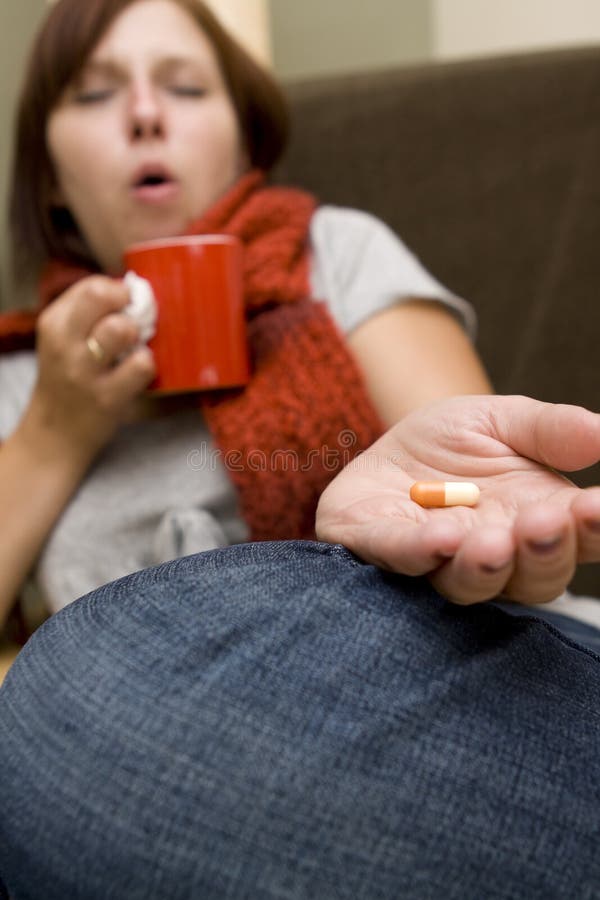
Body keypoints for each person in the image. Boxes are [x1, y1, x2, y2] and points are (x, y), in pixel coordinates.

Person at [0, 1, 599, 896]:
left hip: (422, 675)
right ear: (49, 179)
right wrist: (58, 425)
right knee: (70, 705)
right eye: (94, 94)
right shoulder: (21, 379)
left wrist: (475, 527)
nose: (144, 114)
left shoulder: (334, 254)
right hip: (160, 756)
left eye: (186, 85)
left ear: (243, 143)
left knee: (57, 710)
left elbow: (475, 501)